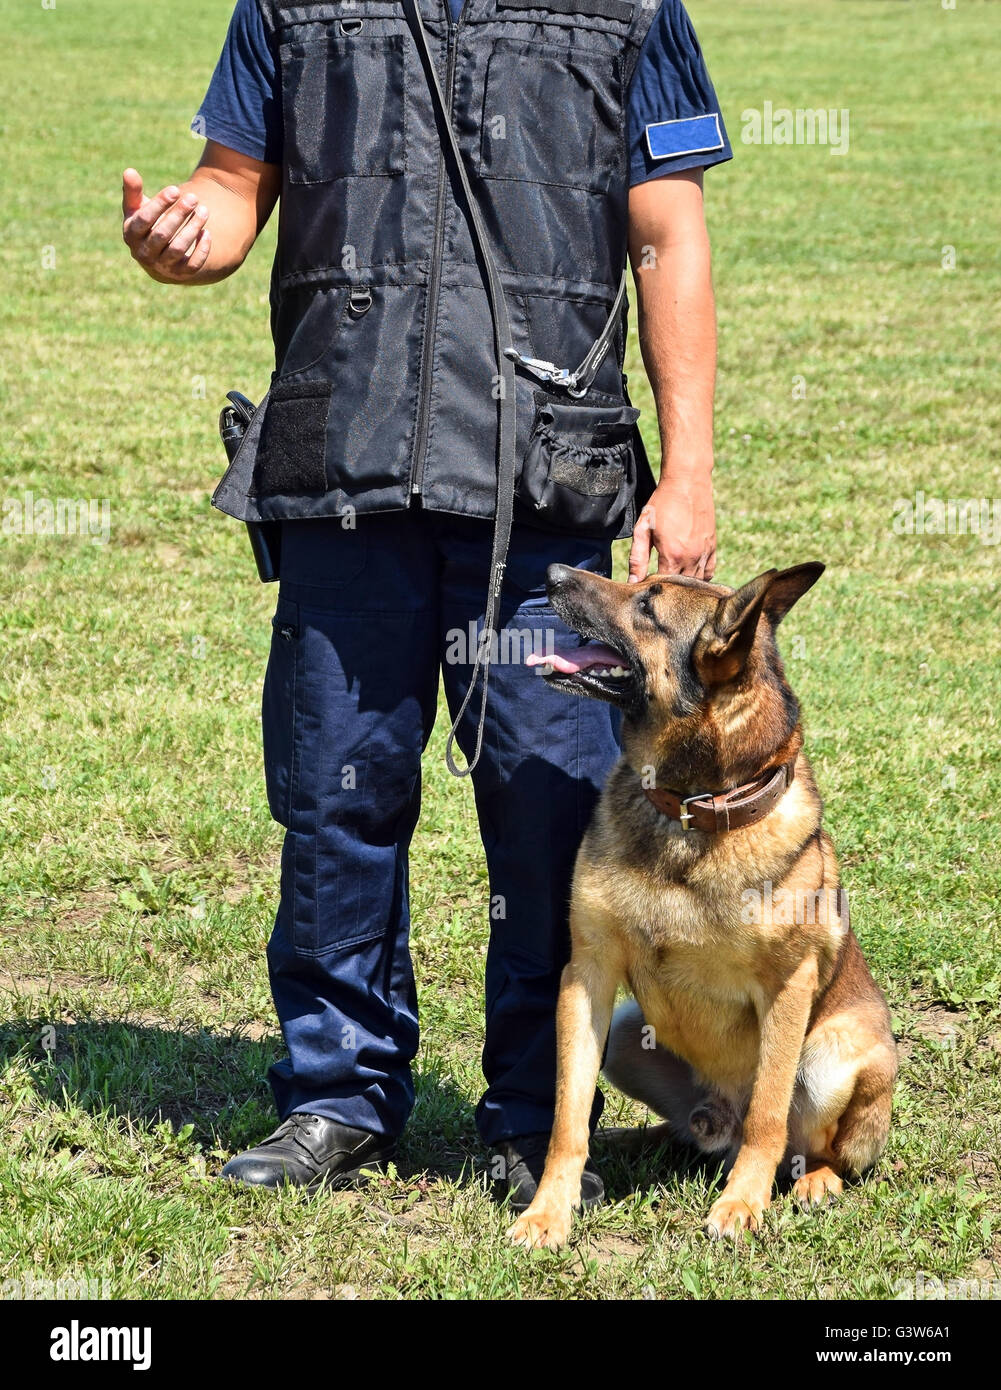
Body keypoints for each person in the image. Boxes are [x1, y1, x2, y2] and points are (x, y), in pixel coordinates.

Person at [121, 0, 731, 1210]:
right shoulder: (288, 7)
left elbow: (666, 229)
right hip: (344, 469)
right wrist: (193, 231)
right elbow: (234, 182)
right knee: (335, 793)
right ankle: (335, 1095)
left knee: (548, 811)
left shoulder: (628, 8)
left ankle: (531, 1113)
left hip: (543, 488)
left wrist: (692, 464)